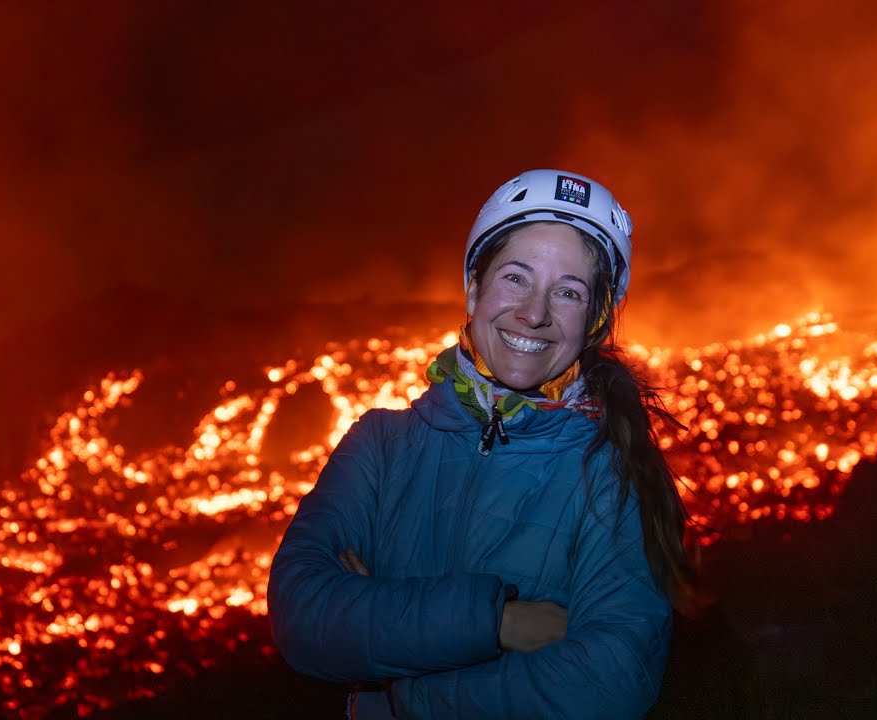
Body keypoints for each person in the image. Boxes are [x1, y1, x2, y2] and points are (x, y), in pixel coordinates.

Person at [268, 169, 694, 718]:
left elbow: (605, 689)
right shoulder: (379, 445)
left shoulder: (608, 473)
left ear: (594, 322)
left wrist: (400, 681)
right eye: (516, 278)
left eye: (568, 292)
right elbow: (302, 616)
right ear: (474, 287)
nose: (535, 313)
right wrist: (498, 624)